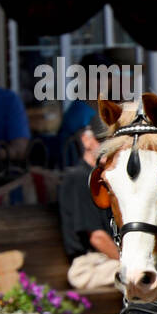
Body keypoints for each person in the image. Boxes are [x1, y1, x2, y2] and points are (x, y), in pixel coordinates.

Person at [59, 115, 118, 291]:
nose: (109, 149)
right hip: (89, 266)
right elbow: (97, 237)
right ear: (87, 140)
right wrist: (128, 263)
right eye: (104, 142)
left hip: (108, 263)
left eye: (115, 144)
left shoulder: (110, 179)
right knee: (146, 276)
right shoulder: (79, 177)